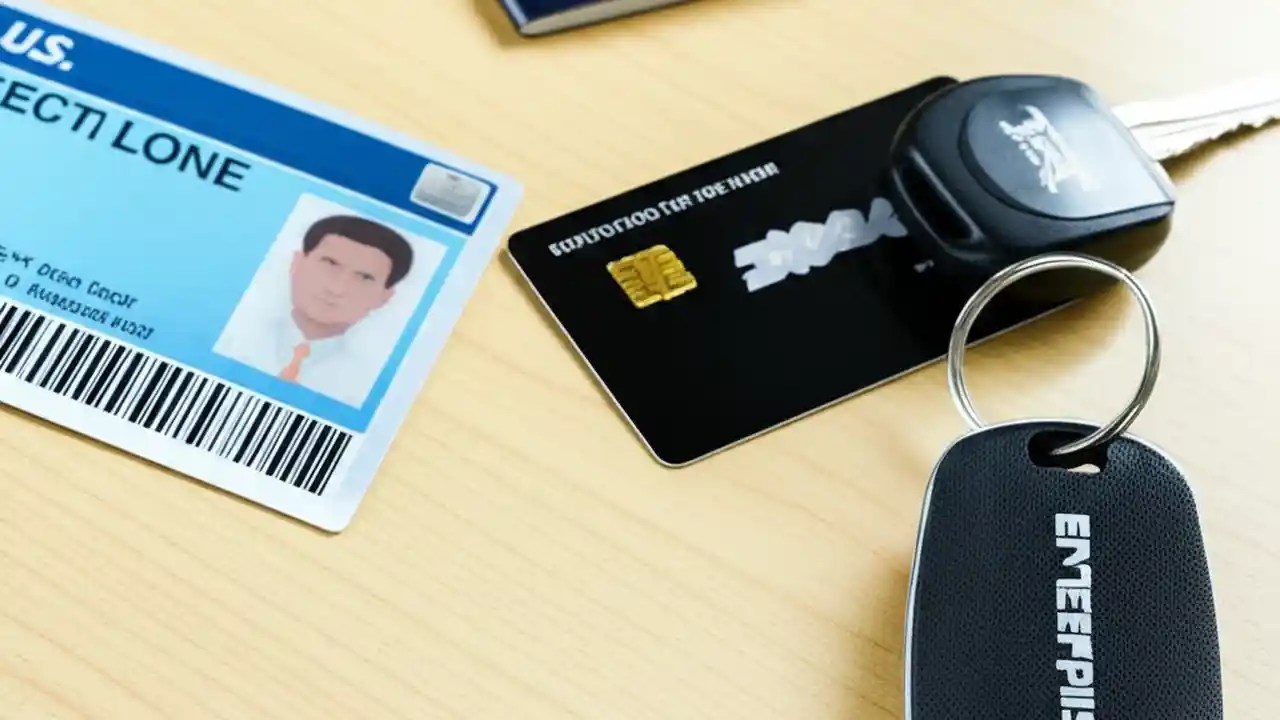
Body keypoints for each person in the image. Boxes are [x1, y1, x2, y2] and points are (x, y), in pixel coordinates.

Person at [216, 214, 414, 406]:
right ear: (297, 263)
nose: (337, 288)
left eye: (364, 278)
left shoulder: (375, 390)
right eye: (330, 263)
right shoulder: (228, 329)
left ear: (384, 298)